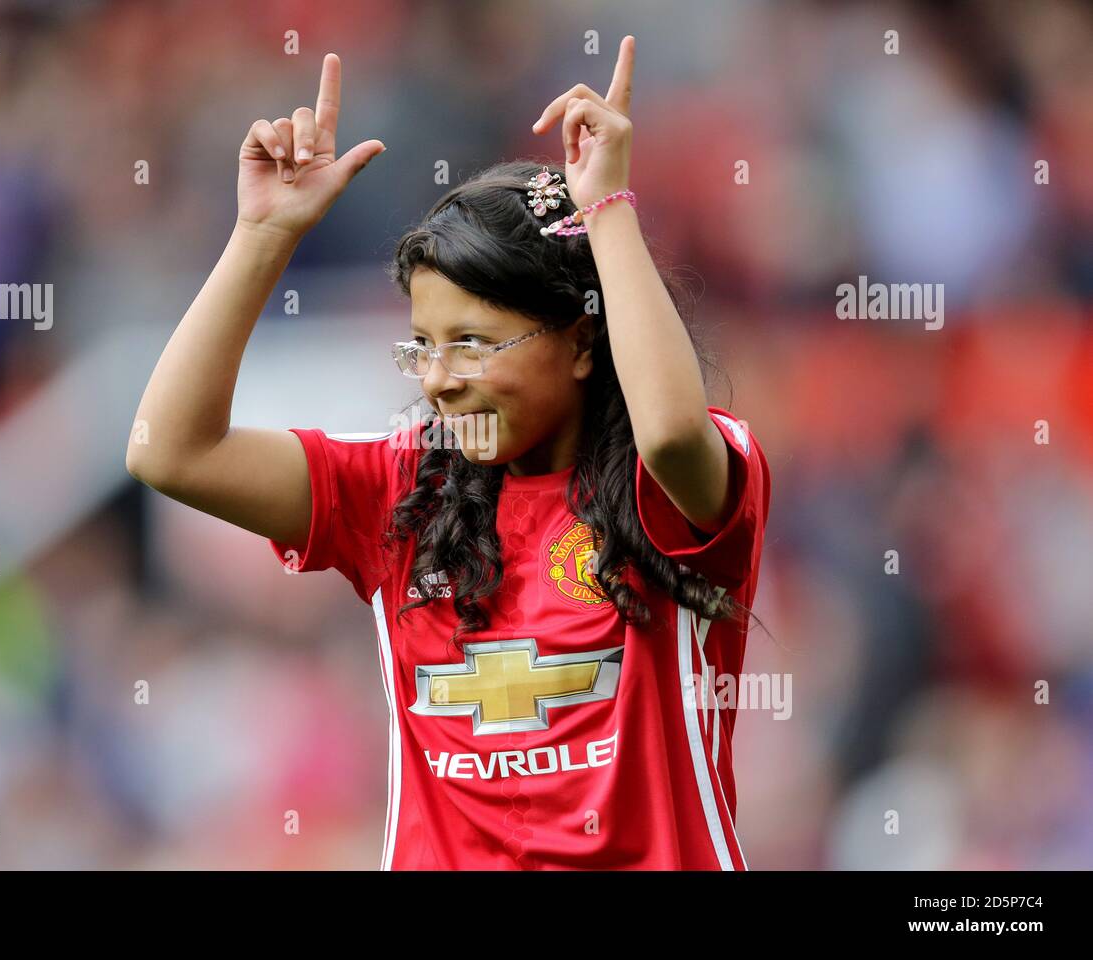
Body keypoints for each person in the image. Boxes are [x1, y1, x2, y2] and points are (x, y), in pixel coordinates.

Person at [127, 37, 771, 870]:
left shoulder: (677, 485)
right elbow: (168, 452)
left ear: (580, 341)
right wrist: (262, 234)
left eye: (472, 344)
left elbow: (672, 431)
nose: (438, 380)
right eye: (420, 346)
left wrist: (608, 208)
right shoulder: (401, 490)